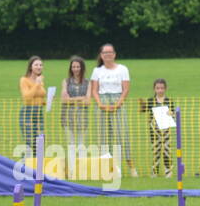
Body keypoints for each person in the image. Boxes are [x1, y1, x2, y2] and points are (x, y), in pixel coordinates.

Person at [89, 43, 136, 178]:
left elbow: (126, 88)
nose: (108, 55)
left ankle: (131, 166)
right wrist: (100, 104)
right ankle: (106, 167)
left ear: (114, 54)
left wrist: (118, 104)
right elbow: (94, 90)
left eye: (110, 52)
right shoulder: (97, 71)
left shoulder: (122, 69)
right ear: (101, 55)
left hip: (118, 102)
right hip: (102, 103)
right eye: (105, 53)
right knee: (103, 136)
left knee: (122, 134)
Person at [59, 56, 91, 175]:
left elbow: (88, 101)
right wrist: (81, 98)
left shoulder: (88, 82)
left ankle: (81, 169)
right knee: (71, 144)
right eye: (73, 66)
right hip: (67, 116)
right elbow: (63, 100)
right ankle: (72, 170)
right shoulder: (66, 81)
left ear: (82, 67)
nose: (75, 69)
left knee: (82, 143)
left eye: (78, 66)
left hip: (82, 117)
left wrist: (72, 99)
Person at [140, 78, 176, 177]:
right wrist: (142, 105)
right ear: (154, 89)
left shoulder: (169, 101)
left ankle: (168, 171)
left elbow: (173, 114)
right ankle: (154, 172)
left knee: (167, 150)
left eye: (162, 88)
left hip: (166, 130)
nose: (160, 90)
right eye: (157, 88)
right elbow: (143, 110)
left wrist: (171, 113)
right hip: (154, 131)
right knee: (156, 151)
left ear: (165, 89)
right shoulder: (151, 101)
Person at [18, 56, 47, 156]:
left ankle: (38, 166)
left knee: (40, 139)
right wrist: (37, 84)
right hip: (27, 113)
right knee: (30, 141)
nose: (39, 67)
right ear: (31, 67)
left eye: (40, 65)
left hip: (38, 113)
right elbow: (27, 97)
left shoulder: (40, 81)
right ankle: (27, 165)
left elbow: (39, 96)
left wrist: (46, 101)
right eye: (36, 65)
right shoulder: (24, 80)